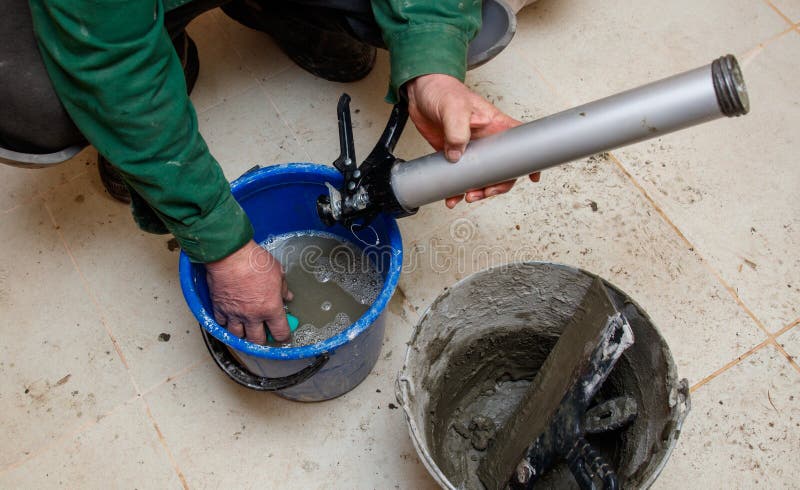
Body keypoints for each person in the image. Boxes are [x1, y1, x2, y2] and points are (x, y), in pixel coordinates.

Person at [2, 0, 538, 344]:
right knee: (42, 99)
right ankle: (163, 51)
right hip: (101, 19)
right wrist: (222, 243)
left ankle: (276, 8)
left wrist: (432, 64)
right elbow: (109, 63)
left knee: (469, 15)